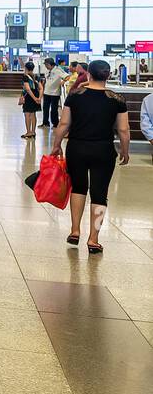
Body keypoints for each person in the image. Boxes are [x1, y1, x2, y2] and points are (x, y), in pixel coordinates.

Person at [50, 60, 129, 254]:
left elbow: (63, 124)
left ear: (89, 75)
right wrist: (125, 151)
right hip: (103, 150)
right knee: (99, 192)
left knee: (78, 188)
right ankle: (93, 239)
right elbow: (123, 129)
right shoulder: (117, 99)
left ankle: (75, 230)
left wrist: (56, 144)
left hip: (77, 147)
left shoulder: (75, 96)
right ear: (108, 76)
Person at [20, 61, 42, 140]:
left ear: (26, 68)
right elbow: (41, 88)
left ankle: (28, 132)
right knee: (33, 114)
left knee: (27, 114)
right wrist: (39, 98)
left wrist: (34, 98)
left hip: (29, 97)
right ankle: (33, 131)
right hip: (36, 94)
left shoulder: (25, 77)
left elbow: (28, 89)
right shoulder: (37, 76)